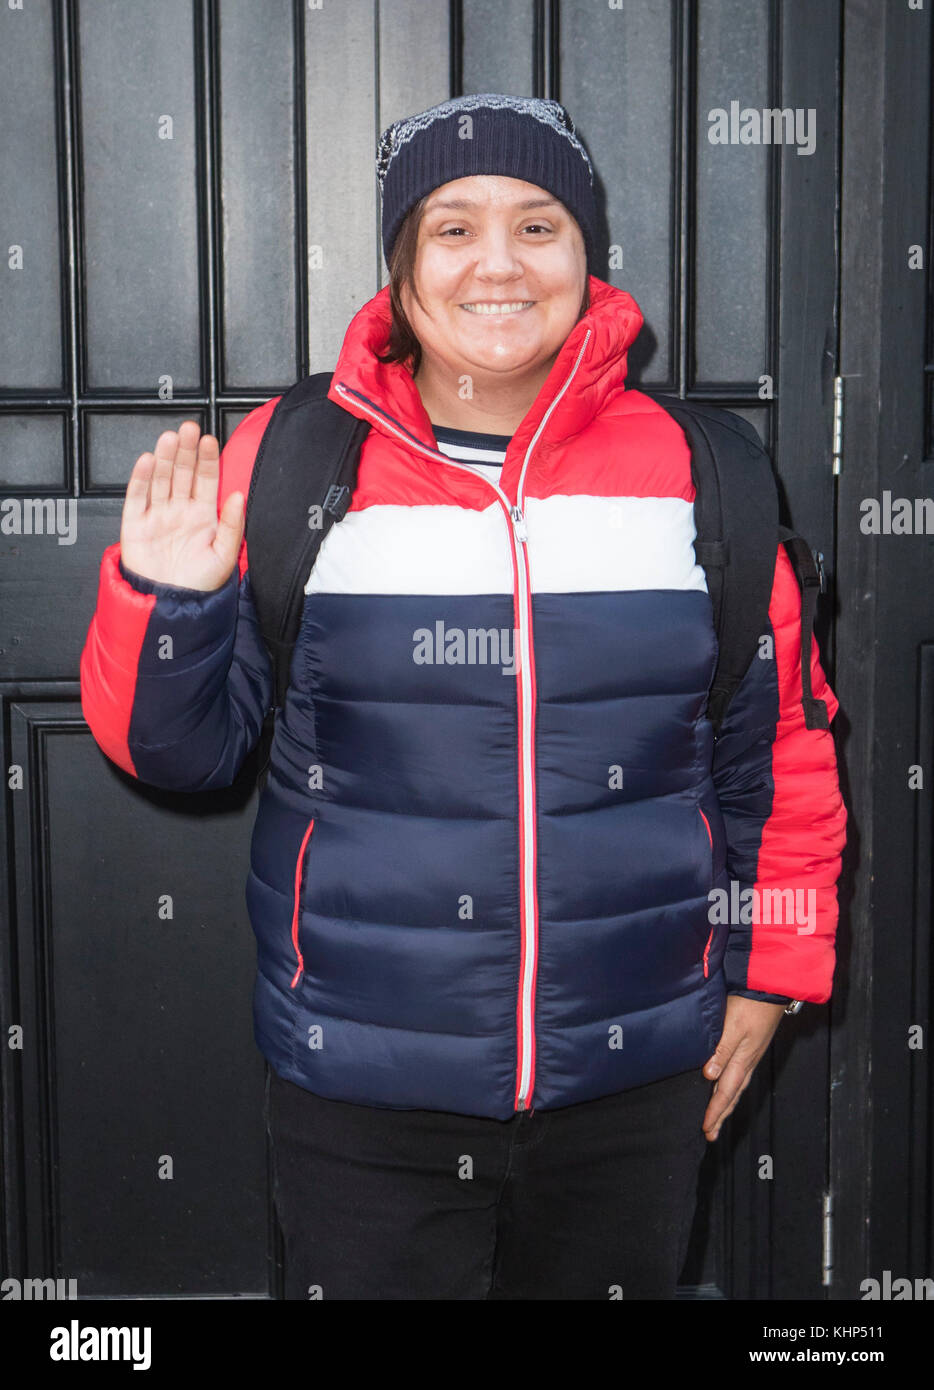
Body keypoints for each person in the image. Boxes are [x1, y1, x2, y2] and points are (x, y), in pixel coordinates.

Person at [80, 93, 848, 1300]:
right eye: (452, 228)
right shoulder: (289, 461)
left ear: (586, 255)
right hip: (361, 1093)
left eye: (538, 225)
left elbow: (782, 757)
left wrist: (771, 972)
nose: (499, 263)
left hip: (637, 1078)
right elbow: (175, 758)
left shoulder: (707, 473)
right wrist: (165, 604)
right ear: (400, 265)